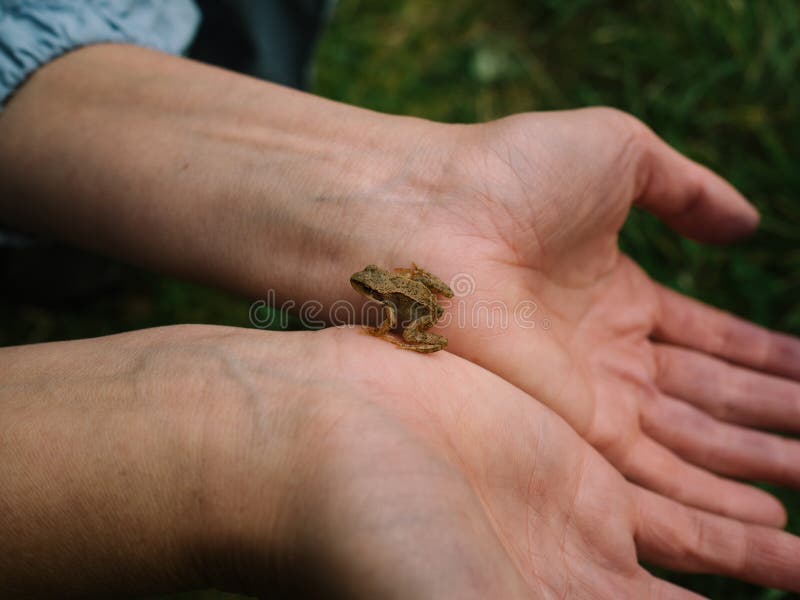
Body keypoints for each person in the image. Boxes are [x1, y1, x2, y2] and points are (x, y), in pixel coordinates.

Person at [1, 2, 799, 598]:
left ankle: (57, 232)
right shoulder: (379, 289)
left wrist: (402, 207)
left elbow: (416, 301)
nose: (361, 288)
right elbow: (388, 289)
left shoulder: (403, 299)